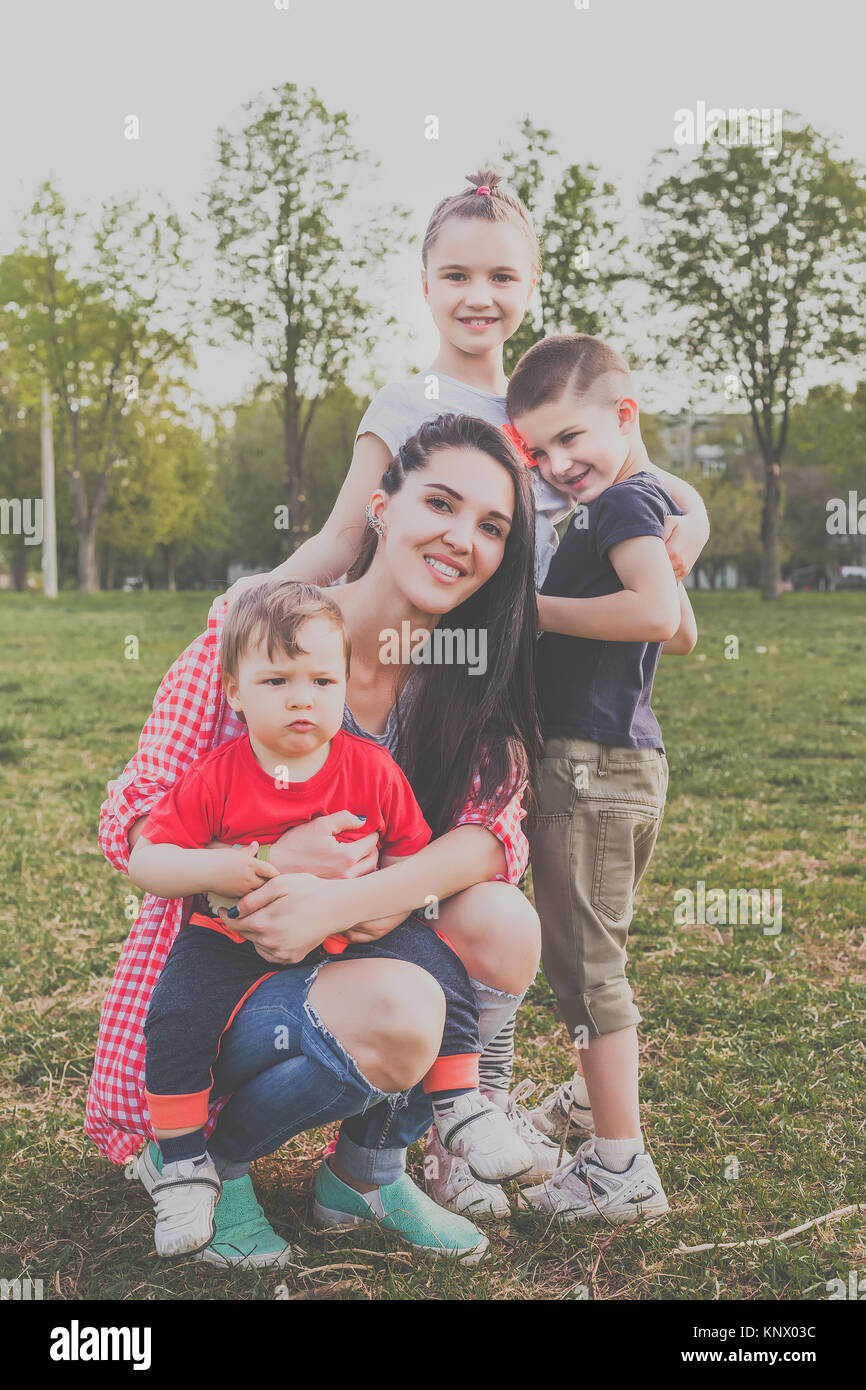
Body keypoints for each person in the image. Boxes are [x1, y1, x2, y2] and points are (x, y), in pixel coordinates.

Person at [221, 168, 711, 1210]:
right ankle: (404, 1119)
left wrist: (694, 518)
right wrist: (258, 599)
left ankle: (469, 1111)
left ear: (530, 283)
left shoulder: (543, 400)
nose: (476, 294)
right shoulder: (408, 404)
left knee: (500, 908)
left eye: (499, 274)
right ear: (425, 283)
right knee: (410, 883)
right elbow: (347, 533)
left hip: (514, 698)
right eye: (455, 274)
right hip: (423, 681)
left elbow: (651, 488)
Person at [88, 413, 543, 1265]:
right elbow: (137, 815)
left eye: (491, 527)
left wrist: (350, 898)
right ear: (381, 506)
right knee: (404, 1010)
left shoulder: (468, 668)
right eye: (439, 503)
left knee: (503, 924)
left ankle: (365, 1176)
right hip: (225, 960)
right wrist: (258, 870)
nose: (461, 539)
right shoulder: (259, 626)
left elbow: (494, 833)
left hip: (348, 941)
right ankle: (201, 1166)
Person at [503, 333, 699, 1223]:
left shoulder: (622, 503)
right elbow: (682, 630)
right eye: (539, 451)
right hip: (628, 764)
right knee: (592, 953)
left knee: (585, 971)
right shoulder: (641, 503)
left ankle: (620, 1170)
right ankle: (588, 1107)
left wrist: (529, 613)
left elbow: (658, 614)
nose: (557, 463)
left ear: (624, 416)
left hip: (587, 767)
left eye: (571, 439)